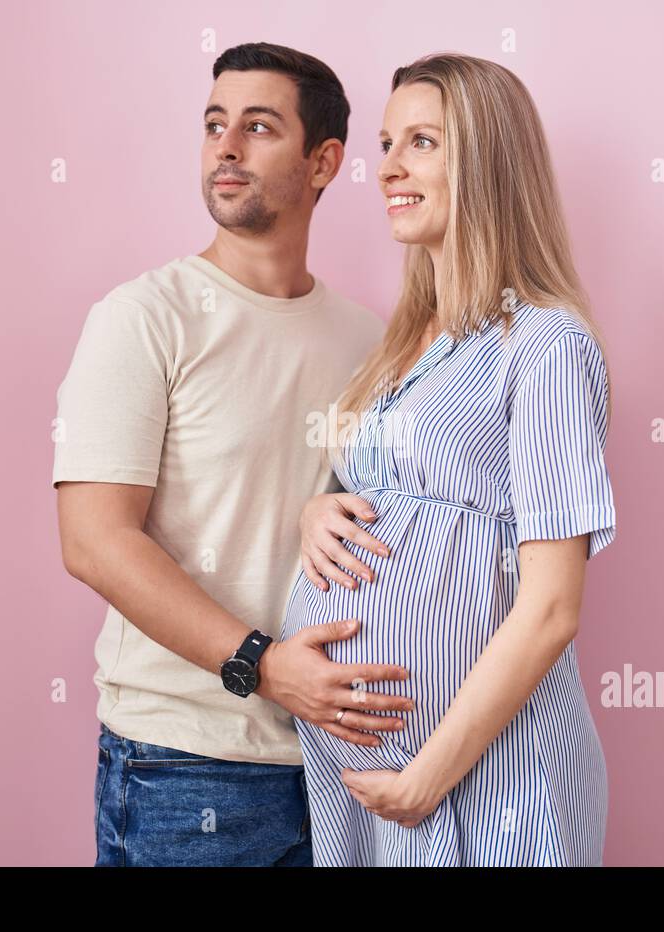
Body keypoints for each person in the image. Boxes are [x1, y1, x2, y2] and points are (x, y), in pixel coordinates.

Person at [52, 42, 414, 867]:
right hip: (183, 768)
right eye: (216, 124)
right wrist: (262, 665)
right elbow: (93, 540)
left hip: (341, 767)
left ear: (324, 162)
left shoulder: (374, 341)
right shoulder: (143, 318)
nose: (226, 146)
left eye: (258, 127)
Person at [280, 52, 618, 866]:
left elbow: (550, 610)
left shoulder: (543, 345)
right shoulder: (401, 344)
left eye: (421, 142)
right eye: (389, 142)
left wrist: (427, 776)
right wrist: (316, 508)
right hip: (369, 790)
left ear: (488, 161)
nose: (387, 166)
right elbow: (384, 496)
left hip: (489, 782)